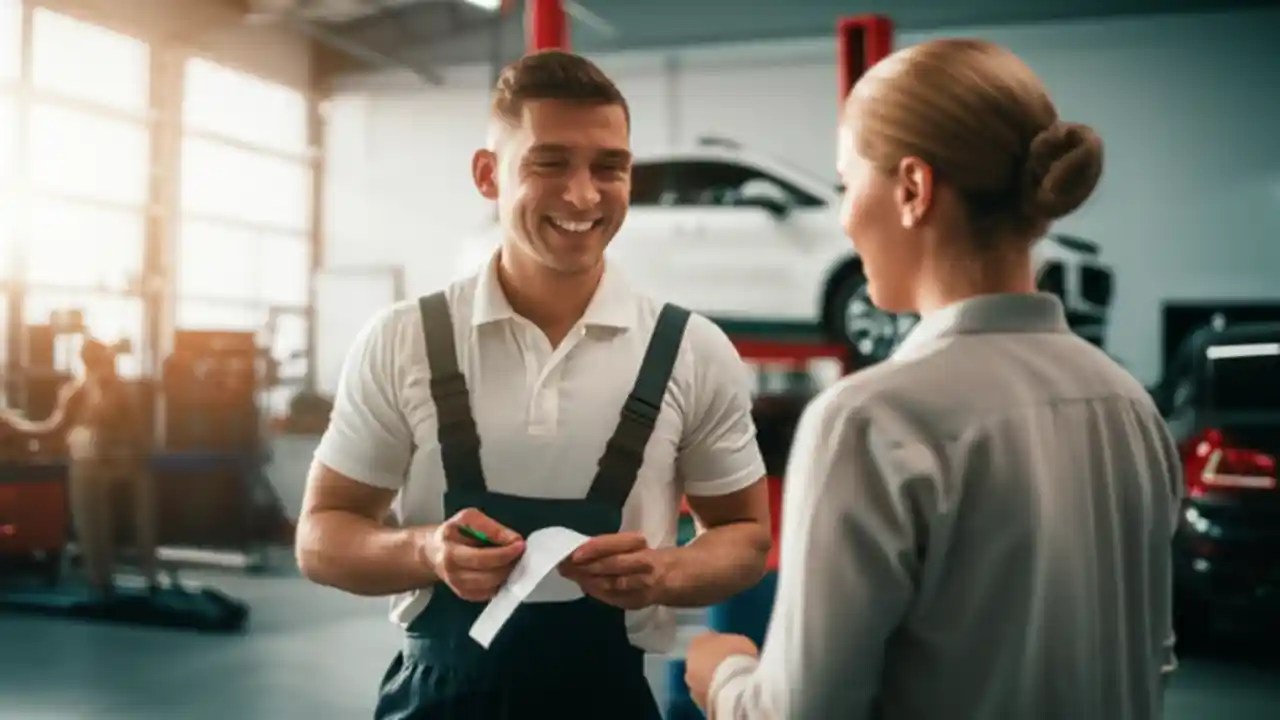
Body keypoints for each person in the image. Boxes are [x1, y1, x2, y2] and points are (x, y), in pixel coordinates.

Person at [685, 38, 1183, 720]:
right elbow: (1149, 662)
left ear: (912, 189)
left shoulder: (870, 420)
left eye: (845, 183)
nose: (843, 217)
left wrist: (725, 675)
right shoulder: (1129, 407)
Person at [295, 49, 772, 719]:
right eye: (549, 164)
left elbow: (745, 536)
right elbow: (321, 536)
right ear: (489, 175)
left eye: (610, 167)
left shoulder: (692, 351)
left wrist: (666, 571)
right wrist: (426, 550)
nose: (583, 195)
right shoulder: (405, 340)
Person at [0, 337, 157, 595]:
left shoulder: (79, 391)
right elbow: (141, 435)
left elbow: (53, 430)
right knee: (141, 519)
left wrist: (15, 426)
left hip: (94, 461)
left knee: (92, 518)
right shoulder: (124, 390)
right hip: (131, 461)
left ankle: (101, 579)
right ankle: (150, 575)